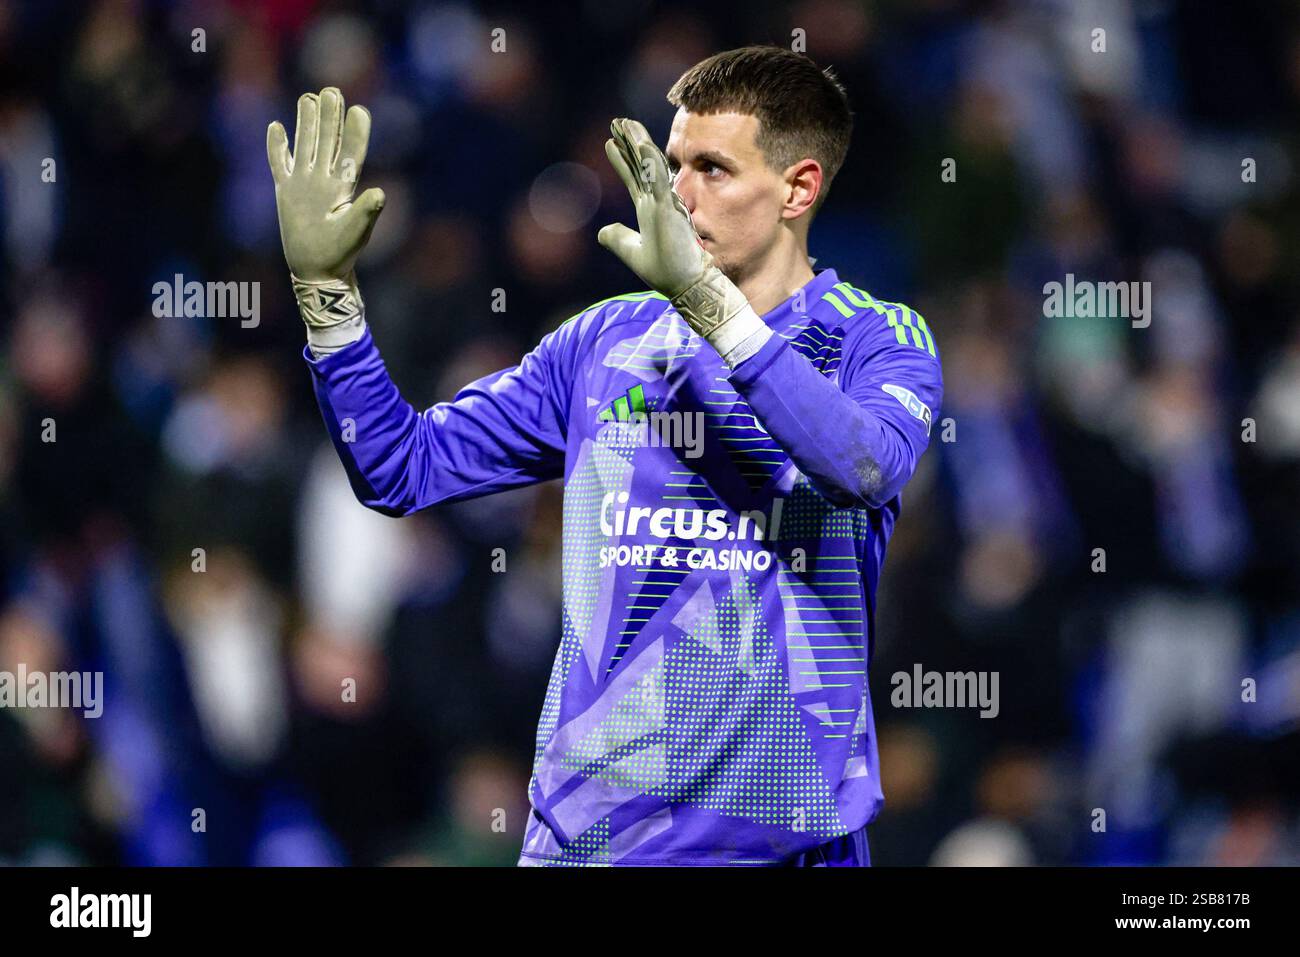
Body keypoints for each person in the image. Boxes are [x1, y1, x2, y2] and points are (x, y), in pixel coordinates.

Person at [267, 44, 942, 866]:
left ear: (799, 188)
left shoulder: (876, 338)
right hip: (592, 844)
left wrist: (707, 305)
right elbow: (401, 466)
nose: (675, 194)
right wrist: (327, 297)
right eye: (671, 164)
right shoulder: (603, 340)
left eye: (713, 170)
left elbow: (864, 467)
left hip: (785, 844)